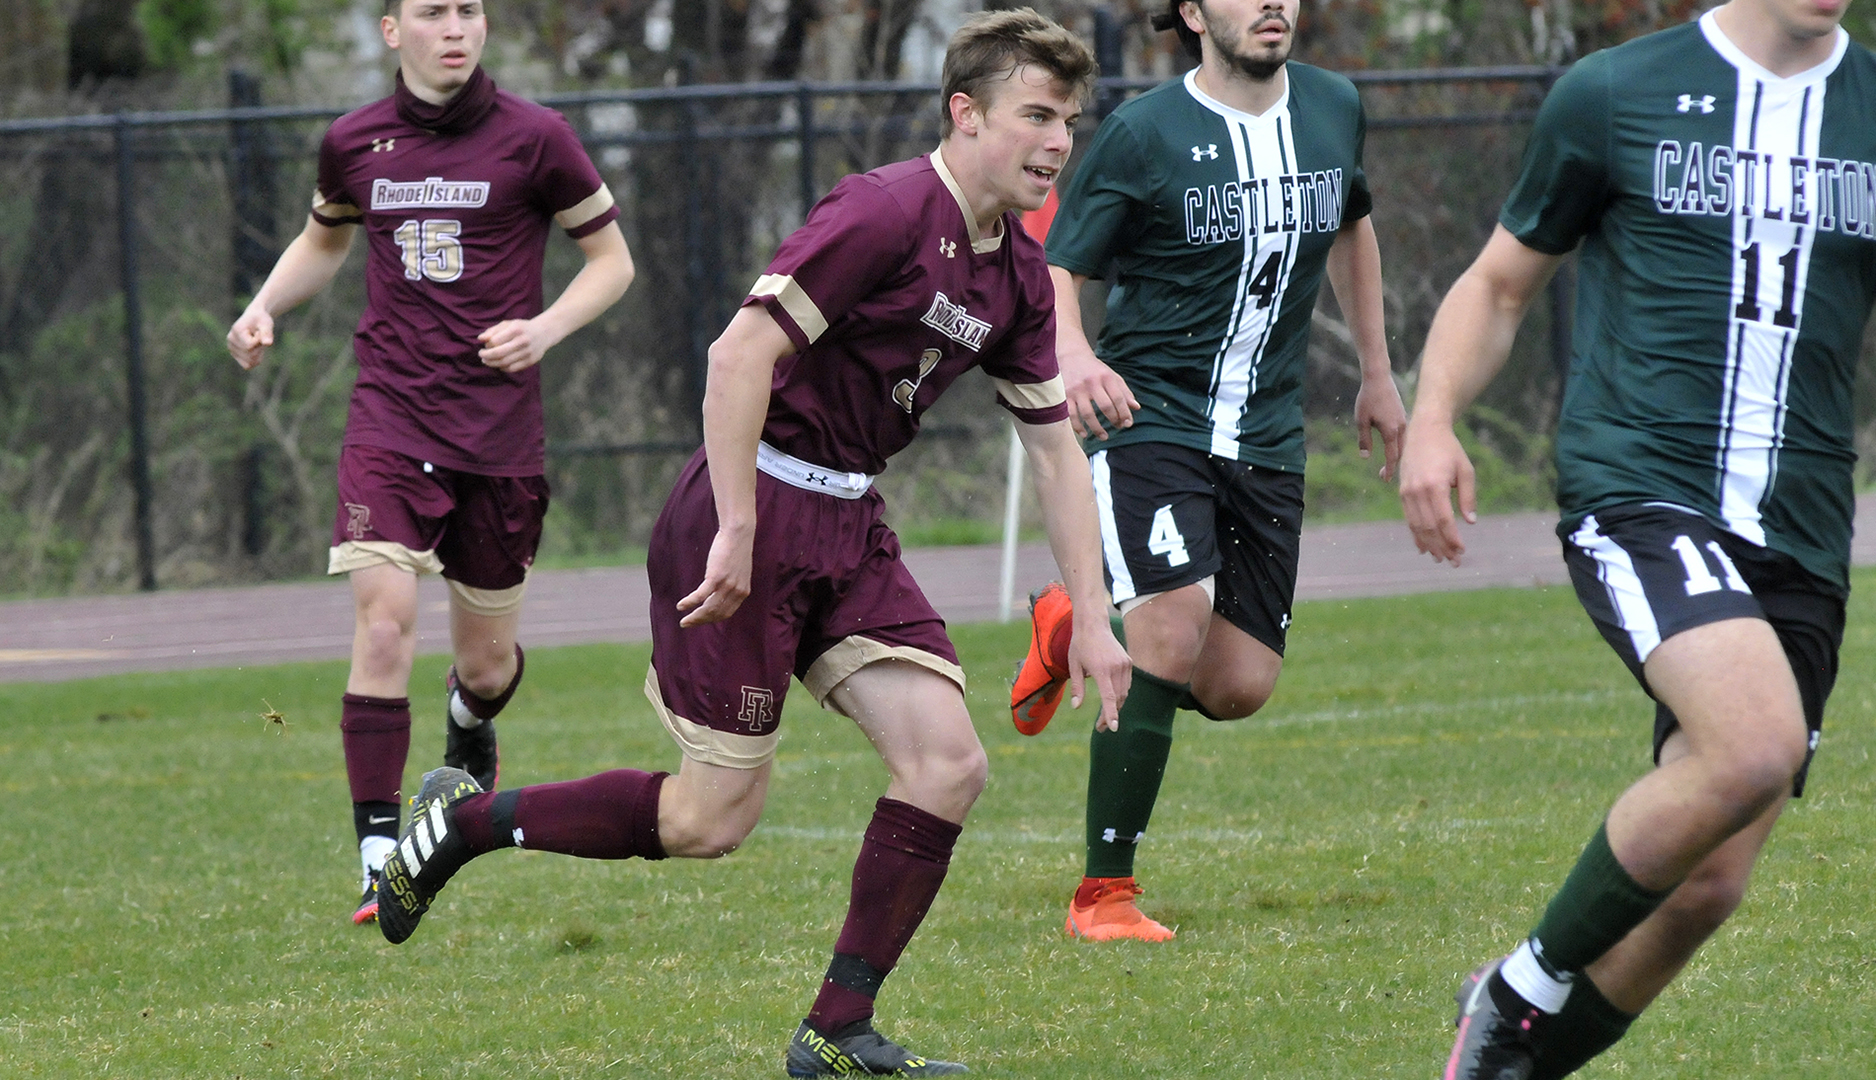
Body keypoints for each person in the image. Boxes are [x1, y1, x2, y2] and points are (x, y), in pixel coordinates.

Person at [370, 9, 1130, 1075]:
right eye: (1035, 116)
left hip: (849, 521)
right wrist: (736, 524)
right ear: (965, 116)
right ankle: (464, 827)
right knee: (706, 820)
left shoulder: (1012, 273)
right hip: (748, 507)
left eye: (1069, 121)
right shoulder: (885, 209)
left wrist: (1092, 620)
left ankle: (836, 1031)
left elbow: (1054, 452)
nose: (1057, 141)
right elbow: (738, 357)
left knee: (947, 763)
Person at [1399, 1, 1876, 1076]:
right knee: (1751, 746)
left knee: (1708, 881)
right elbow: (1499, 283)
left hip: (1801, 525)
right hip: (1644, 488)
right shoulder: (1615, 92)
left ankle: (1508, 1063)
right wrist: (1432, 419)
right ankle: (1517, 988)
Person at [225, 0, 634, 926]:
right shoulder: (353, 142)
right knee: (383, 623)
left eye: (469, 9)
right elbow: (324, 239)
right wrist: (264, 307)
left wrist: (545, 328)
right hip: (390, 418)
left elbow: (612, 262)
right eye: (433, 11)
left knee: (486, 666)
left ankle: (468, 727)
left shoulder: (538, 139)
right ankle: (378, 857)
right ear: (390, 29)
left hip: (499, 439)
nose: (455, 27)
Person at [1006, 0, 1404, 942]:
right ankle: (1103, 895)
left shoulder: (1335, 106)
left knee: (1238, 686)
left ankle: (1075, 621)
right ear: (1190, 12)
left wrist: (1380, 374)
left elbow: (1352, 227)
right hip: (1151, 415)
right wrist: (1072, 355)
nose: (1272, 4)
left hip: (1264, 433)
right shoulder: (1146, 133)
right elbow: (1056, 264)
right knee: (1172, 631)